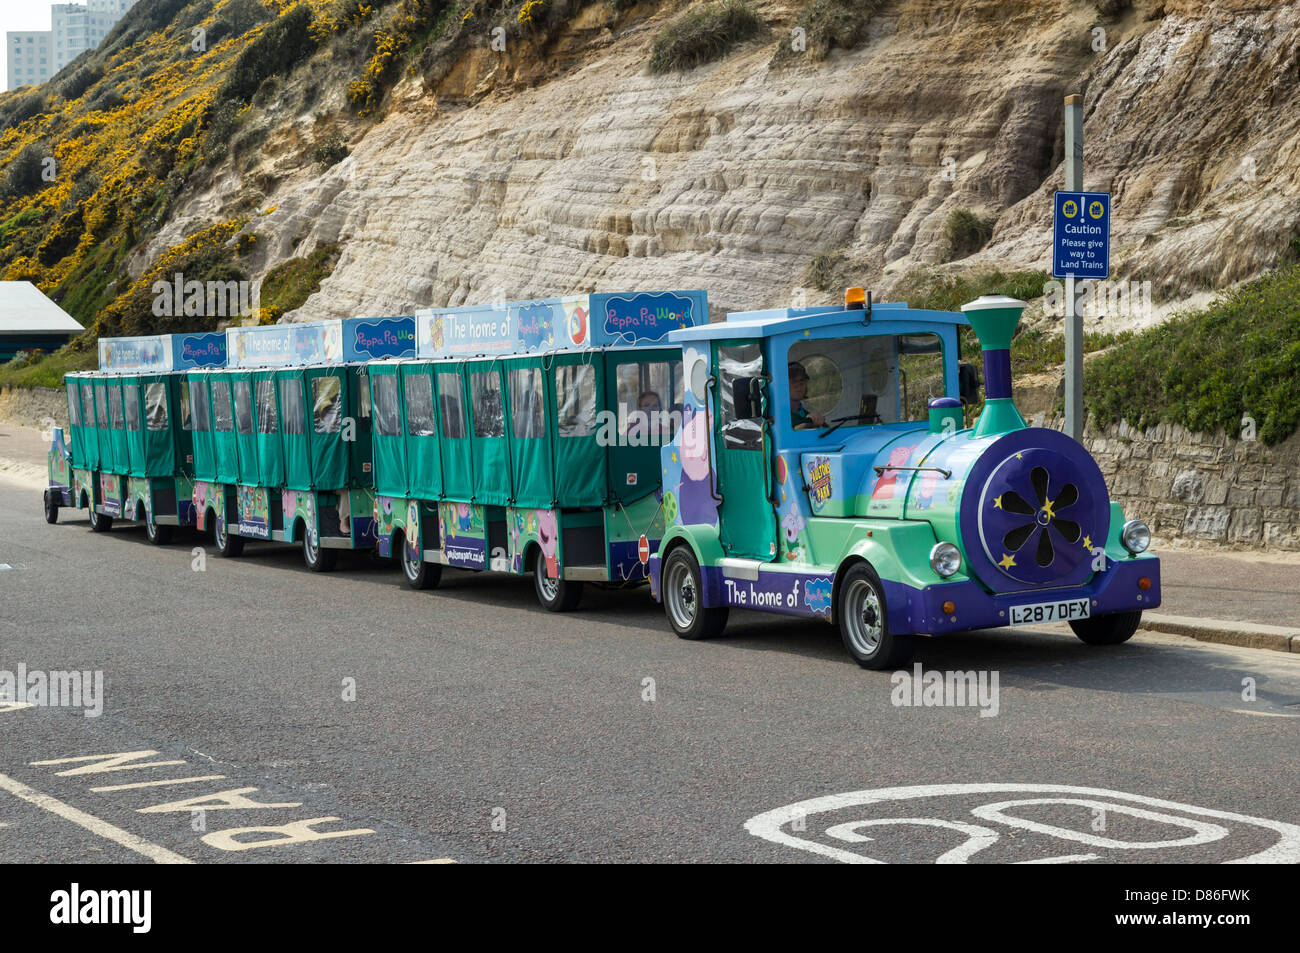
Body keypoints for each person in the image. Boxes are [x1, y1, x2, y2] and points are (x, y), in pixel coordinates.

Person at [789, 361, 825, 429]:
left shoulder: (809, 414)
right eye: (793, 381)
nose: (798, 384)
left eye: (802, 380)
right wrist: (805, 425)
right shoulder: (777, 417)